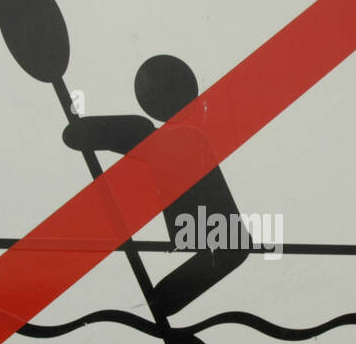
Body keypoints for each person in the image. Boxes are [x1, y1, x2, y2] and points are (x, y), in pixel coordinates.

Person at [61, 54, 250, 325]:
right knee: (231, 251)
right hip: (205, 231)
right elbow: (74, 135)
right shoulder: (153, 133)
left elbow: (76, 134)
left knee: (231, 251)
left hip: (207, 231)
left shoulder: (168, 136)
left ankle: (163, 300)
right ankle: (163, 300)